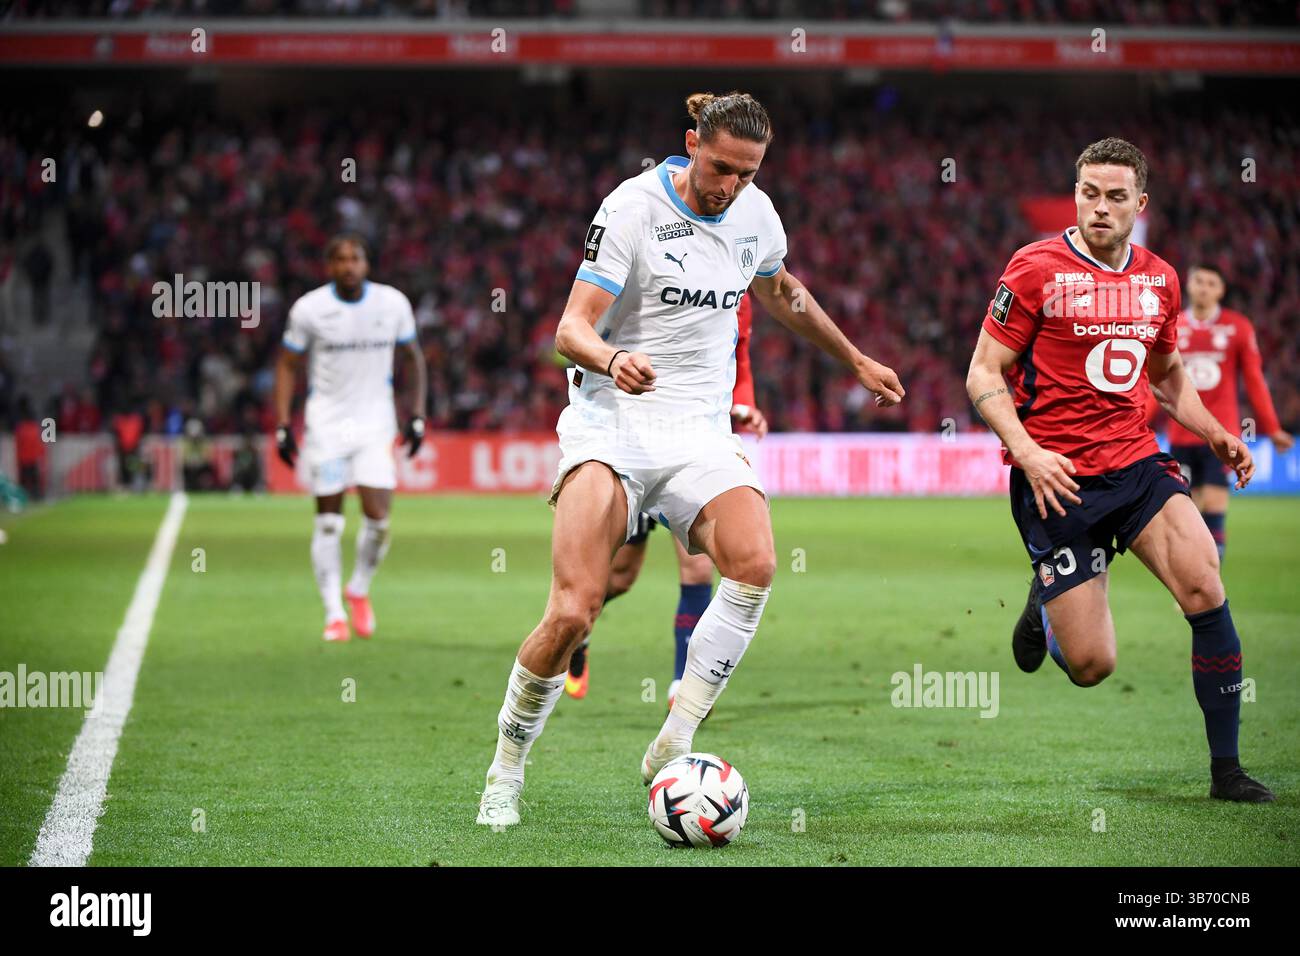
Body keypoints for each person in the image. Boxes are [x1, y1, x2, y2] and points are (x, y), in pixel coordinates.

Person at [476, 91, 904, 827]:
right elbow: (568, 330)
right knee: (575, 611)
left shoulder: (755, 213)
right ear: (690, 145)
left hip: (698, 435)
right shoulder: (631, 208)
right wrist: (613, 359)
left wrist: (855, 359)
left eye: (747, 173)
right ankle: (505, 768)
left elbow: (783, 292)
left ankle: (676, 734)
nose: (731, 185)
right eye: (721, 168)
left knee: (755, 561)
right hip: (612, 427)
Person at [966, 137, 1273, 803]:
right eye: (1088, 194)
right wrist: (1027, 452)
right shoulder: (1033, 269)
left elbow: (1166, 378)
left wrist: (1217, 433)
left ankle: (1227, 771)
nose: (1099, 208)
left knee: (1203, 585)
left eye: (1114, 196)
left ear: (1140, 202)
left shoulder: (1159, 279)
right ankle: (1047, 610)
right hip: (1057, 482)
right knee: (1092, 667)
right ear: (1076, 195)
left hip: (1137, 466)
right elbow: (983, 373)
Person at [564, 294, 768, 707]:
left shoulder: (736, 291)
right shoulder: (654, 273)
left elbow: (738, 354)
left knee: (696, 569)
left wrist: (743, 403)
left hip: (694, 446)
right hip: (635, 440)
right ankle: (577, 632)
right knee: (619, 576)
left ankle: (681, 685)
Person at [273, 234, 427, 642]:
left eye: (355, 258)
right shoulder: (309, 309)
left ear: (366, 263)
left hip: (376, 426)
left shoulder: (392, 304)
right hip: (326, 428)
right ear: (329, 267)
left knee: (379, 522)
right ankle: (332, 613)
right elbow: (288, 364)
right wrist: (284, 422)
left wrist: (417, 413)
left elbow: (414, 359)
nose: (348, 266)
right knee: (329, 523)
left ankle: (358, 588)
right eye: (339, 260)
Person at [1152, 264, 1293, 561]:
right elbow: (1157, 382)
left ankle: (1209, 589)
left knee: (1213, 514)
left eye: (1210, 283)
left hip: (1222, 436)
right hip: (1181, 435)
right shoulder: (1172, 326)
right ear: (1188, 285)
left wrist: (1272, 428)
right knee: (1185, 519)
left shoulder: (1238, 327)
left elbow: (1254, 381)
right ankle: (1191, 584)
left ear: (1221, 291)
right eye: (1198, 281)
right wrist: (1137, 418)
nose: (1203, 288)